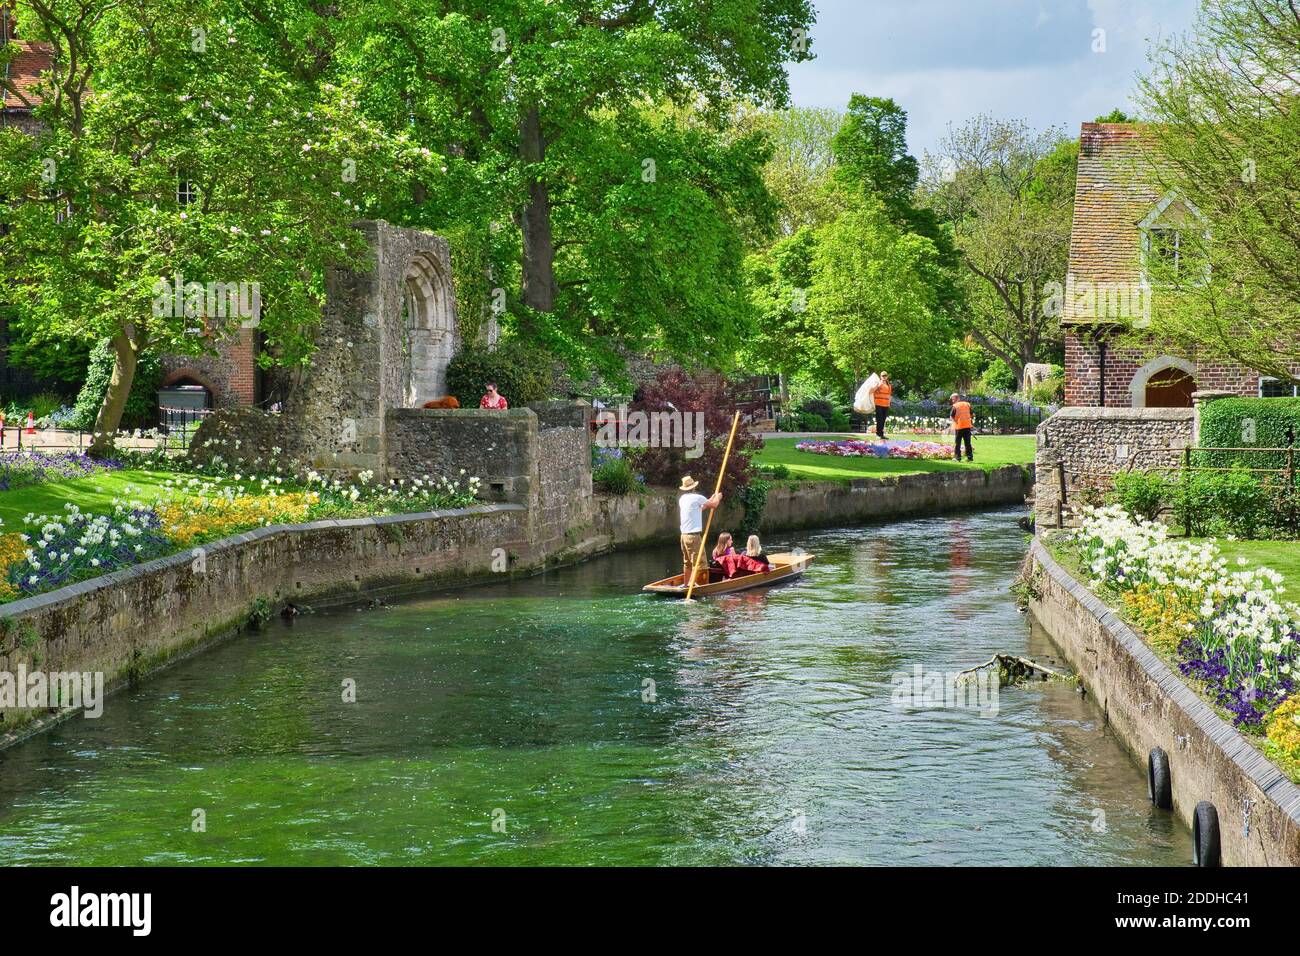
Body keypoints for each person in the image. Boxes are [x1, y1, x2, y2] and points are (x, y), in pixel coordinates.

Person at [678, 475, 722, 587]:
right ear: (694, 487)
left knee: (687, 562)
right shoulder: (697, 497)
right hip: (693, 536)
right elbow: (714, 505)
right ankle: (701, 586)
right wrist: (718, 498)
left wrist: (711, 499)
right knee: (700, 563)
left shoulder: (682, 499)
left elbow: (699, 508)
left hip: (684, 536)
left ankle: (687, 584)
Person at [950, 392, 974, 462]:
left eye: (953, 399)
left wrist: (954, 422)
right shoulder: (967, 404)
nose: (952, 401)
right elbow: (972, 414)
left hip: (959, 427)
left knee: (957, 443)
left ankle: (957, 458)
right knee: (968, 443)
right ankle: (970, 458)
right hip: (967, 426)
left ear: (957, 398)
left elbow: (952, 416)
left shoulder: (955, 406)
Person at [873, 372, 892, 439]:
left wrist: (889, 403)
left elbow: (889, 395)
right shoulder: (877, 383)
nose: (884, 377)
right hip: (878, 404)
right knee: (879, 419)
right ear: (880, 376)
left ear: (887, 376)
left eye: (885, 375)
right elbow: (872, 391)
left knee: (883, 420)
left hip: (885, 405)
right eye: (883, 376)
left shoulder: (888, 385)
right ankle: (878, 434)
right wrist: (878, 385)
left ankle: (881, 434)